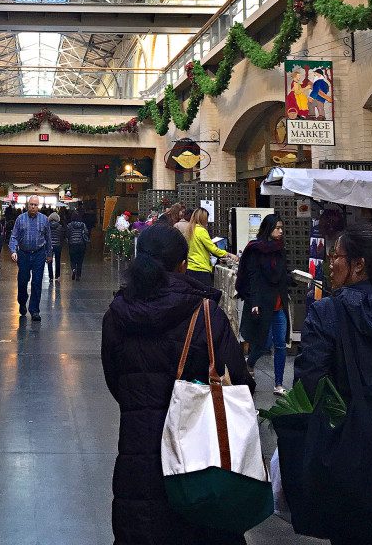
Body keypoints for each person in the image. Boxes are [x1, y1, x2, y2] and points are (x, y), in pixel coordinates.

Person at [101, 224, 254, 545]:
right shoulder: (205, 313)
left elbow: (115, 381)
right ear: (183, 264)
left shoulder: (117, 313)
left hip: (139, 456)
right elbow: (239, 383)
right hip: (201, 460)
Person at [293, 223, 372, 545]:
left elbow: (311, 387)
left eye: (335, 255)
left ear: (359, 264)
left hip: (351, 460)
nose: (330, 263)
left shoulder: (327, 314)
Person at [237, 213, 291, 394]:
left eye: (282, 228)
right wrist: (255, 302)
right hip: (263, 301)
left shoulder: (280, 248)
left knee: (281, 344)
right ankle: (250, 363)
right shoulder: (256, 249)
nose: (281, 231)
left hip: (279, 302)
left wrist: (295, 278)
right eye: (277, 228)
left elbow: (283, 273)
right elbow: (253, 276)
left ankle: (279, 384)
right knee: (263, 343)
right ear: (269, 228)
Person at [9, 195, 52, 321]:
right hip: (23, 254)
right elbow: (14, 236)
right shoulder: (20, 219)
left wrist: (49, 254)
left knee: (37, 282)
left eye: (36, 205)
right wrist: (13, 250)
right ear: (28, 205)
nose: (33, 207)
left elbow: (48, 238)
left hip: (39, 253)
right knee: (23, 281)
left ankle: (34, 310)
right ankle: (22, 302)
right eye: (31, 204)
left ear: (38, 206)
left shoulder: (44, 219)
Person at [185, 207, 234, 288]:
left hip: (190, 268)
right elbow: (213, 249)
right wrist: (228, 254)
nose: (207, 221)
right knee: (206, 296)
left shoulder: (190, 230)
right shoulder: (201, 231)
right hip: (201, 269)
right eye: (206, 219)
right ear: (202, 219)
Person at [66, 209, 90, 280]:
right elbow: (86, 232)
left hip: (72, 244)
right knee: (80, 261)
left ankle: (73, 269)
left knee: (72, 259)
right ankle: (78, 276)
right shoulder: (83, 225)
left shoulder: (69, 225)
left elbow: (67, 234)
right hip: (81, 244)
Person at [47, 211, 65, 281]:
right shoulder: (60, 227)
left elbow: (46, 236)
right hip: (58, 245)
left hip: (49, 246)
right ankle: (57, 276)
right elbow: (61, 237)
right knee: (58, 261)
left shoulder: (47, 226)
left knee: (49, 260)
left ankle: (51, 277)